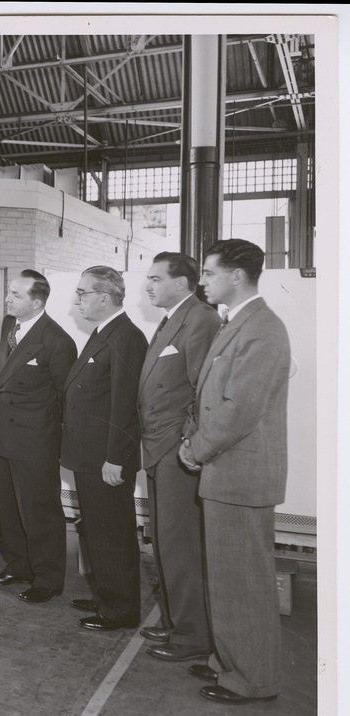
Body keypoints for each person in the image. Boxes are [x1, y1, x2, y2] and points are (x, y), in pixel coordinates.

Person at [179, 239, 289, 704]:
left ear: (236, 276)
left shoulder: (262, 329)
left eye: (208, 272)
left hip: (239, 473)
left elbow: (238, 409)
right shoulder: (238, 324)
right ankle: (231, 663)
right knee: (228, 577)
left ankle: (253, 679)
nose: (202, 280)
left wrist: (196, 450)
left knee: (245, 582)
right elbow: (208, 395)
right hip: (227, 473)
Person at [137, 253, 220, 662]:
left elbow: (204, 391)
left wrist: (185, 443)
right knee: (166, 543)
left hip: (174, 449)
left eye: (155, 278)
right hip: (156, 447)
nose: (148, 286)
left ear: (182, 283)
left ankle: (192, 635)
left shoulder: (201, 319)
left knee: (181, 544)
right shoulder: (171, 318)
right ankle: (175, 622)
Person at [61, 266, 148, 631]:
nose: (77, 299)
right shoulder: (104, 333)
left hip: (105, 459)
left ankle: (120, 609)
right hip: (90, 455)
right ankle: (106, 596)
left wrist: (116, 458)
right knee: (98, 531)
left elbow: (126, 406)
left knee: (112, 533)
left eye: (83, 292)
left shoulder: (125, 336)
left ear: (106, 296)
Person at [0, 270, 77, 603]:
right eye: (9, 292)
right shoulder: (10, 328)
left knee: (39, 511)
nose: (7, 298)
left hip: (36, 442)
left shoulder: (58, 341)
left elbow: (68, 398)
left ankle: (48, 578)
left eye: (16, 295)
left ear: (37, 301)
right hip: (5, 438)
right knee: (8, 508)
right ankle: (19, 566)